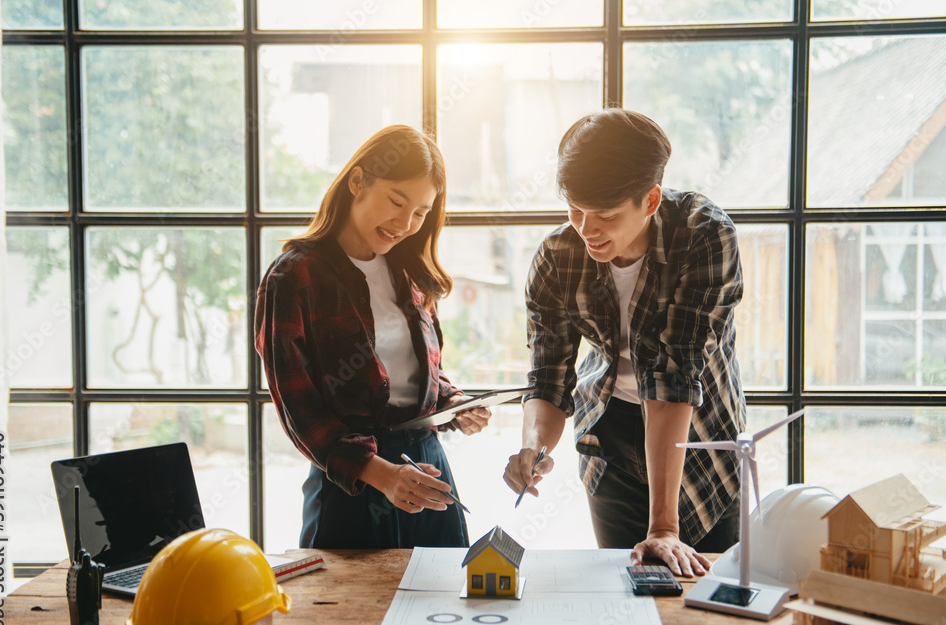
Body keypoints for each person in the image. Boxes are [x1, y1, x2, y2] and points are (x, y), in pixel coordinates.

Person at [503, 108, 745, 577]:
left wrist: (663, 528)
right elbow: (549, 377)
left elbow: (673, 378)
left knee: (706, 594)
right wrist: (534, 446)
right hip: (608, 437)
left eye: (606, 216)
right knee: (625, 587)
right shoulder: (557, 257)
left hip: (698, 437)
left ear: (650, 200)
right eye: (575, 210)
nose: (586, 229)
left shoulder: (705, 236)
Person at [256, 125, 490, 550]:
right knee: (351, 614)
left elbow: (422, 378)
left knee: (444, 608)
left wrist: (456, 404)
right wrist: (382, 475)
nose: (405, 224)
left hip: (429, 471)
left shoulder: (410, 273)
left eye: (420, 213)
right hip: (354, 484)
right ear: (358, 181)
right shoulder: (293, 276)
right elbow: (299, 411)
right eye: (397, 202)